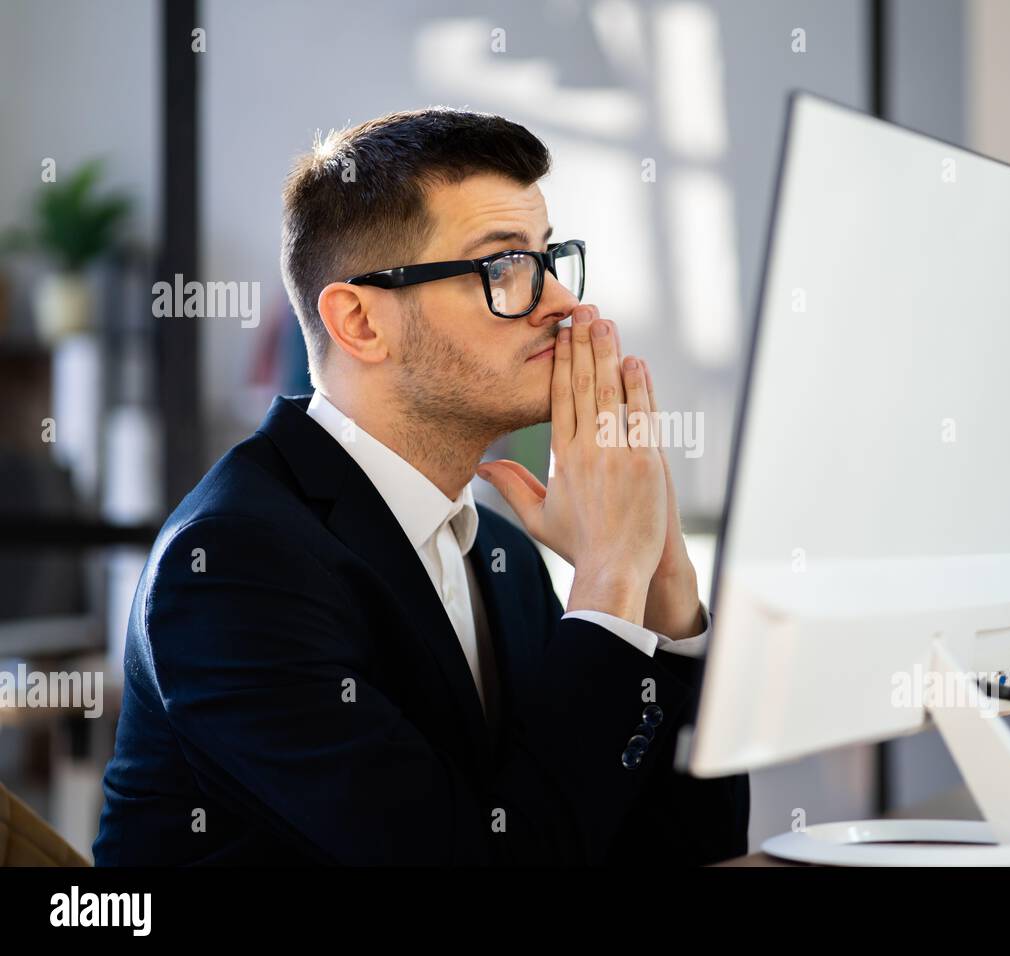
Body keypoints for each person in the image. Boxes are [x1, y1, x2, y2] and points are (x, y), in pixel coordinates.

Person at [93, 108, 749, 865]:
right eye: (503, 268)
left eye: (551, 258)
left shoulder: (499, 551)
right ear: (361, 322)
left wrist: (662, 577)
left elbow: (684, 850)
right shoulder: (231, 566)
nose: (563, 305)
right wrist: (606, 579)